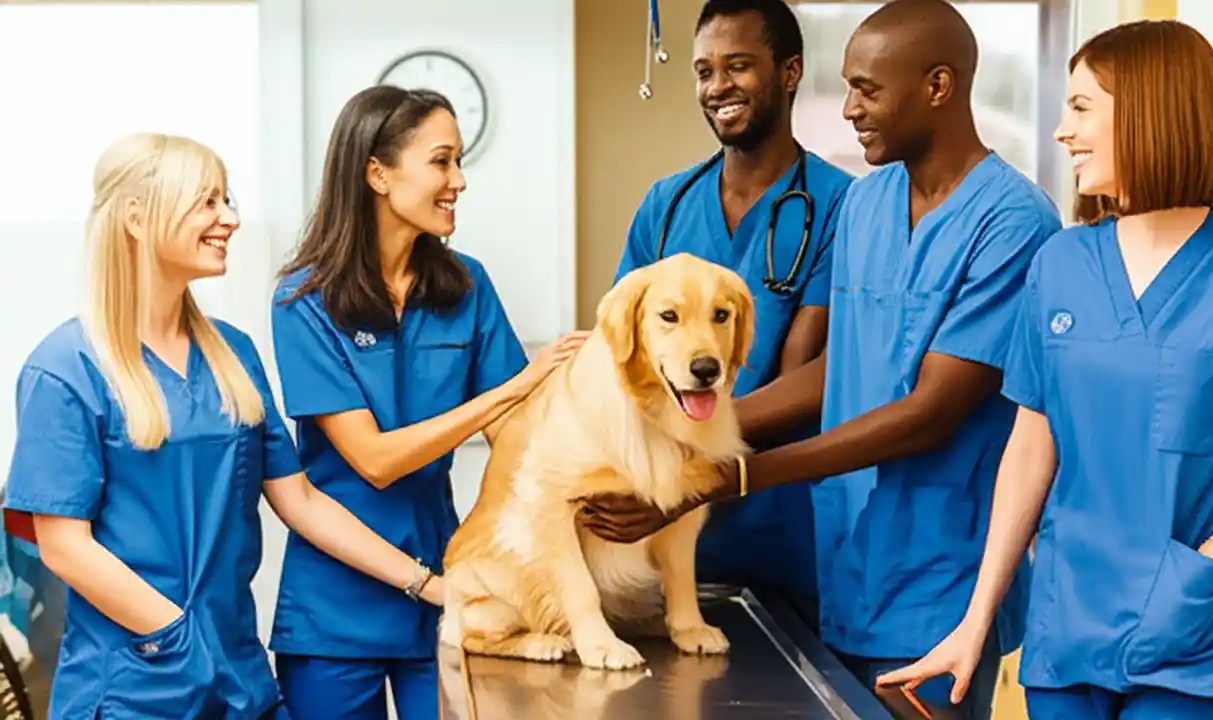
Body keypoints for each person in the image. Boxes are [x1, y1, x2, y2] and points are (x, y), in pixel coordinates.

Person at [578, 1, 1062, 718]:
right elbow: (842, 367)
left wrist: (725, 473)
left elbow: (930, 413)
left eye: (867, 90)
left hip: (937, 572)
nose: (850, 110)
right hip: (840, 557)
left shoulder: (1014, 222)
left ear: (937, 86)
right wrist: (688, 445)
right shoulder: (867, 207)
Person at [2, 132, 490, 719]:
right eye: (207, 201)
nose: (229, 218)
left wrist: (430, 585)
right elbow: (66, 549)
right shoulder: (65, 368)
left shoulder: (232, 357)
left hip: (238, 681)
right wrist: (182, 640)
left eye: (227, 200)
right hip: (133, 688)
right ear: (136, 217)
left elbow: (302, 502)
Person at [877, 19, 1213, 720]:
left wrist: (1211, 563)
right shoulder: (1060, 264)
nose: (1062, 132)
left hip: (1191, 634)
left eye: (1082, 107)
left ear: (1155, 109)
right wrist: (978, 621)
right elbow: (1032, 444)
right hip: (1067, 631)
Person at [267, 85, 588, 720]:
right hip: (335, 613)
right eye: (441, 161)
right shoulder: (303, 301)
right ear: (377, 173)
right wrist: (510, 391)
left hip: (451, 593)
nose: (459, 181)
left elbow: (519, 440)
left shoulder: (465, 286)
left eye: (459, 162)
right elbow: (374, 460)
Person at [612, 0, 852, 626]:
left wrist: (699, 450)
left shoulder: (840, 207)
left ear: (790, 71)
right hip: (666, 531)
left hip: (785, 532)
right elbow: (622, 357)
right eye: (703, 71)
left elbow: (814, 367)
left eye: (738, 66)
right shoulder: (666, 206)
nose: (718, 87)